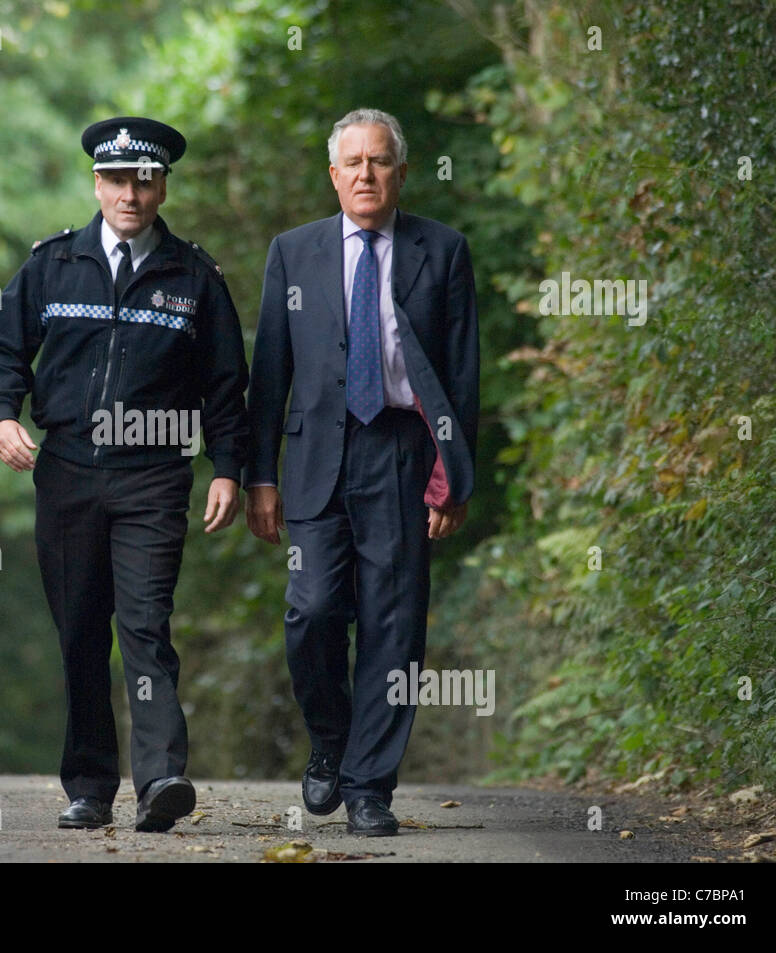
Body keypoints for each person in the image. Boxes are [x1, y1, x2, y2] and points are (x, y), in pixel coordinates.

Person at [0, 116, 249, 832]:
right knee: (81, 632)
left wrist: (228, 469)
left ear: (162, 186)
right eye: (118, 179)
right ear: (97, 183)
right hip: (67, 471)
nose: (131, 192)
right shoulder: (51, 265)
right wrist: (1, 416)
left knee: (148, 624)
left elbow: (226, 384)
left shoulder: (195, 277)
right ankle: (90, 784)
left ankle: (161, 778)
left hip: (155, 475)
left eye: (145, 179)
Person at [244, 108, 479, 836]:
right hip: (316, 454)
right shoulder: (294, 252)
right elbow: (269, 372)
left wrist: (454, 473)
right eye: (353, 162)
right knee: (312, 611)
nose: (366, 174)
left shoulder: (442, 251)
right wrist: (260, 475)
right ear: (334, 175)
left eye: (379, 161)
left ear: (400, 172)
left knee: (394, 625)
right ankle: (331, 740)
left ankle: (371, 785)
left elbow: (461, 375)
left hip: (404, 453)